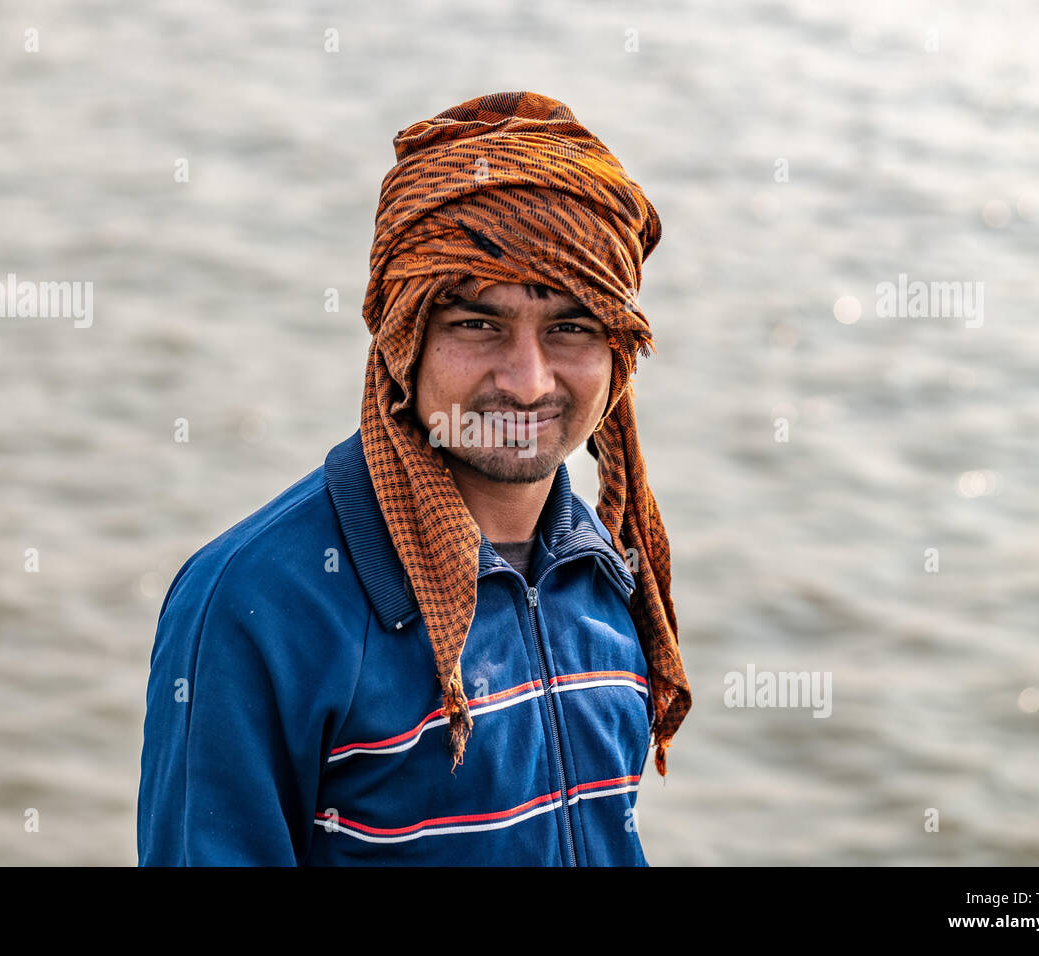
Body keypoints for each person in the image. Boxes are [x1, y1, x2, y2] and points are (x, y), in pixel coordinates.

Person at [137, 91, 691, 866]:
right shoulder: (254, 604)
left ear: (619, 354)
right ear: (403, 338)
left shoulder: (606, 572)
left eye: (571, 327)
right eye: (477, 324)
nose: (529, 381)